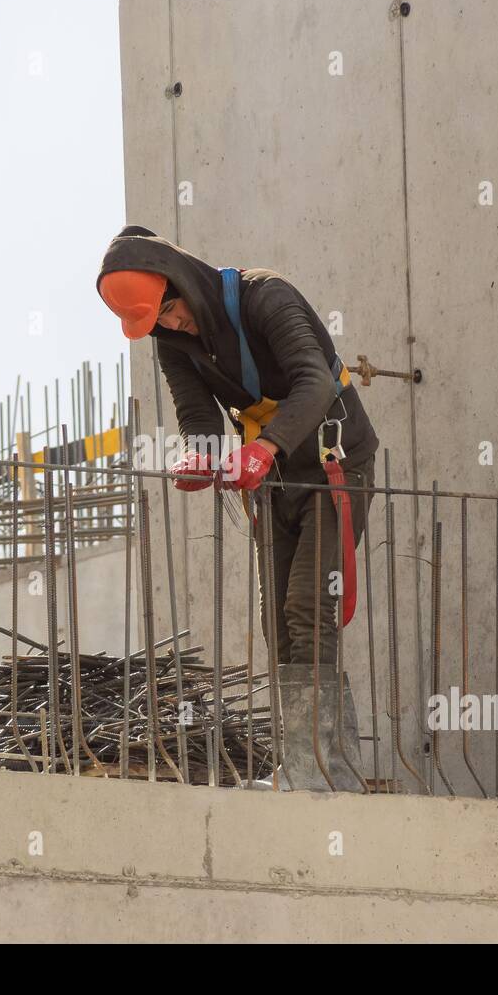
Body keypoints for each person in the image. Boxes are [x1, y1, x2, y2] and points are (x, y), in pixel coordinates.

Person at [96, 225, 379, 791]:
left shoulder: (266, 296)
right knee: (279, 623)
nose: (173, 326)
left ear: (180, 282)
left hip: (333, 464)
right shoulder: (171, 340)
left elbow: (315, 381)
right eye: (159, 323)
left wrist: (265, 445)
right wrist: (201, 458)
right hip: (271, 481)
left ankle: (327, 770)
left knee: (308, 607)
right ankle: (301, 765)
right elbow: (196, 411)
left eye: (171, 311)